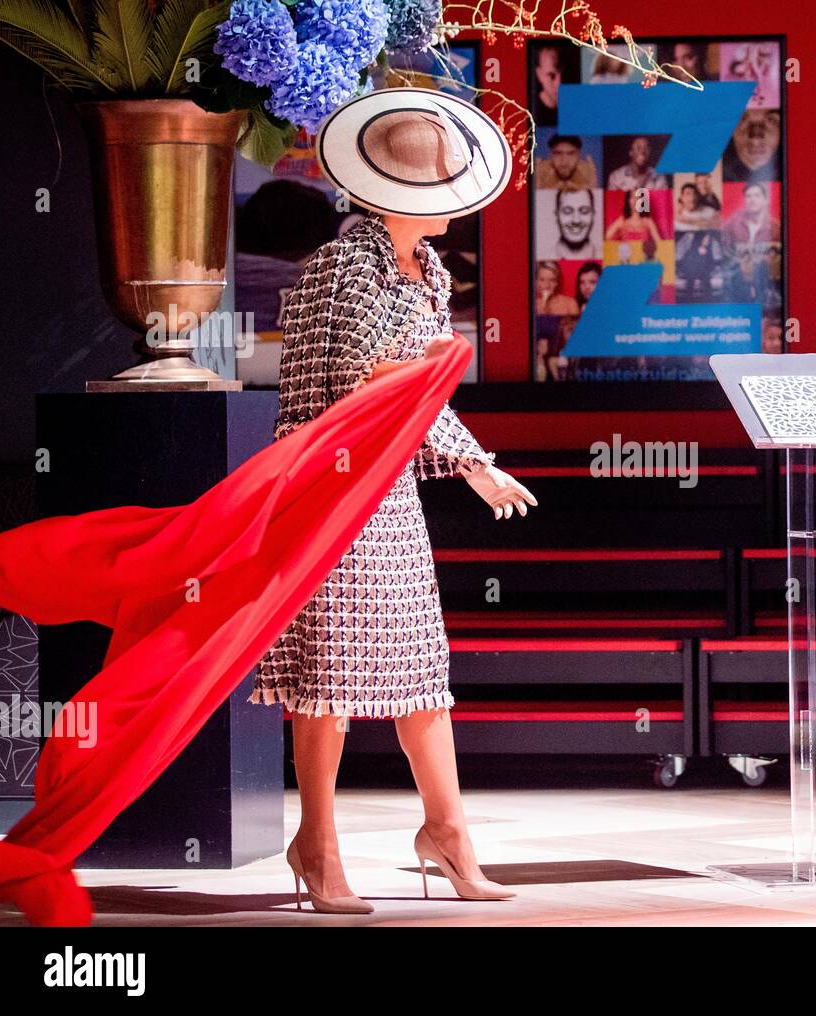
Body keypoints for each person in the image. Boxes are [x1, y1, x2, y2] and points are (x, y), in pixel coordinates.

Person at [261, 87, 537, 913]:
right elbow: (371, 379)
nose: (445, 203)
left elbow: (411, 388)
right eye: (428, 189)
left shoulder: (428, 269)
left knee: (421, 671)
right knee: (333, 679)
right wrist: (473, 459)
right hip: (330, 487)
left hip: (387, 491)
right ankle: (318, 845)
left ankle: (448, 834)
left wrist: (464, 454)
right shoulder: (348, 263)